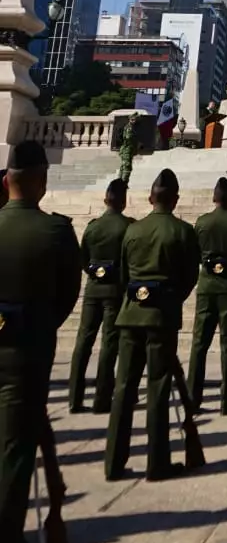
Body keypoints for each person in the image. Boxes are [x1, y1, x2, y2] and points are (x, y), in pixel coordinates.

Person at [0, 141, 81, 543]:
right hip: (26, 356)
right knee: (14, 455)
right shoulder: (56, 232)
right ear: (42, 181)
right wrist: (39, 329)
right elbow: (67, 296)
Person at [104, 167, 200, 481]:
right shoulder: (183, 232)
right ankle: (156, 462)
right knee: (157, 388)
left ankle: (113, 462)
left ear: (149, 197)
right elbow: (189, 278)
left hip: (130, 315)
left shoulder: (132, 230)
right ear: (175, 199)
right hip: (161, 316)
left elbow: (122, 276)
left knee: (124, 389)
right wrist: (170, 301)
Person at [69, 177, 134, 413]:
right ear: (123, 202)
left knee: (83, 341)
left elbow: (83, 258)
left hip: (93, 289)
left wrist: (94, 271)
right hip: (115, 291)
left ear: (106, 199)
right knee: (109, 343)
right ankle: (102, 398)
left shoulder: (93, 226)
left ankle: (74, 398)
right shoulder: (128, 226)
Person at [187, 177, 227, 415]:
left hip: (206, 286)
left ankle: (193, 398)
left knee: (199, 344)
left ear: (214, 198)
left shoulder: (202, 222)